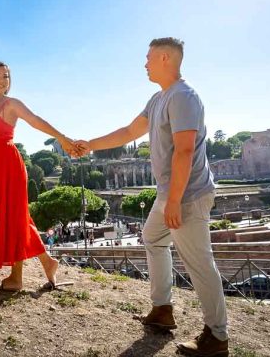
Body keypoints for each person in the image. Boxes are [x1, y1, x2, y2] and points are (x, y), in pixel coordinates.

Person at [76, 38, 228, 357]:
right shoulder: (158, 98)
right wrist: (89, 144)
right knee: (153, 239)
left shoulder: (184, 96)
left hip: (187, 194)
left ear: (164, 58)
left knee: (199, 264)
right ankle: (162, 310)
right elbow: (128, 132)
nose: (144, 63)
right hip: (168, 193)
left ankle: (217, 337)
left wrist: (174, 201)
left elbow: (185, 150)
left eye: (148, 58)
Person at [0, 61, 77, 292]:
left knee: (13, 216)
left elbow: (35, 120)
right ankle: (46, 263)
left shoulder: (11, 104)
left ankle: (17, 278)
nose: (3, 80)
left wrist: (61, 137)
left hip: (8, 166)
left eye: (7, 76)